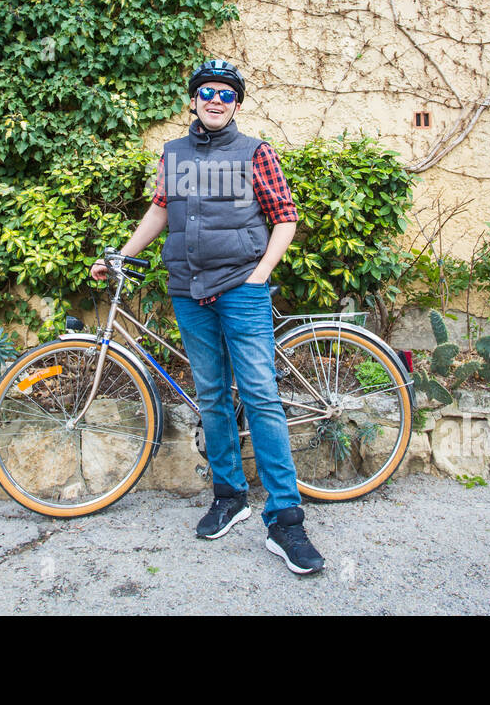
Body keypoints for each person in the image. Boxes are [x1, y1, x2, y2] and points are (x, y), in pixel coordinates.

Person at [90, 59, 325, 575]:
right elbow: (161, 209)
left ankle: (285, 519)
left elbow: (284, 217)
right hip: (187, 289)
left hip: (241, 288)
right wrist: (122, 255)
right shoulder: (173, 154)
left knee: (261, 396)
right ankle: (229, 496)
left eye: (226, 94)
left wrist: (261, 273)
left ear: (236, 104)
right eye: (207, 93)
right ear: (193, 101)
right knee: (212, 396)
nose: (216, 101)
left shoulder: (254, 151)